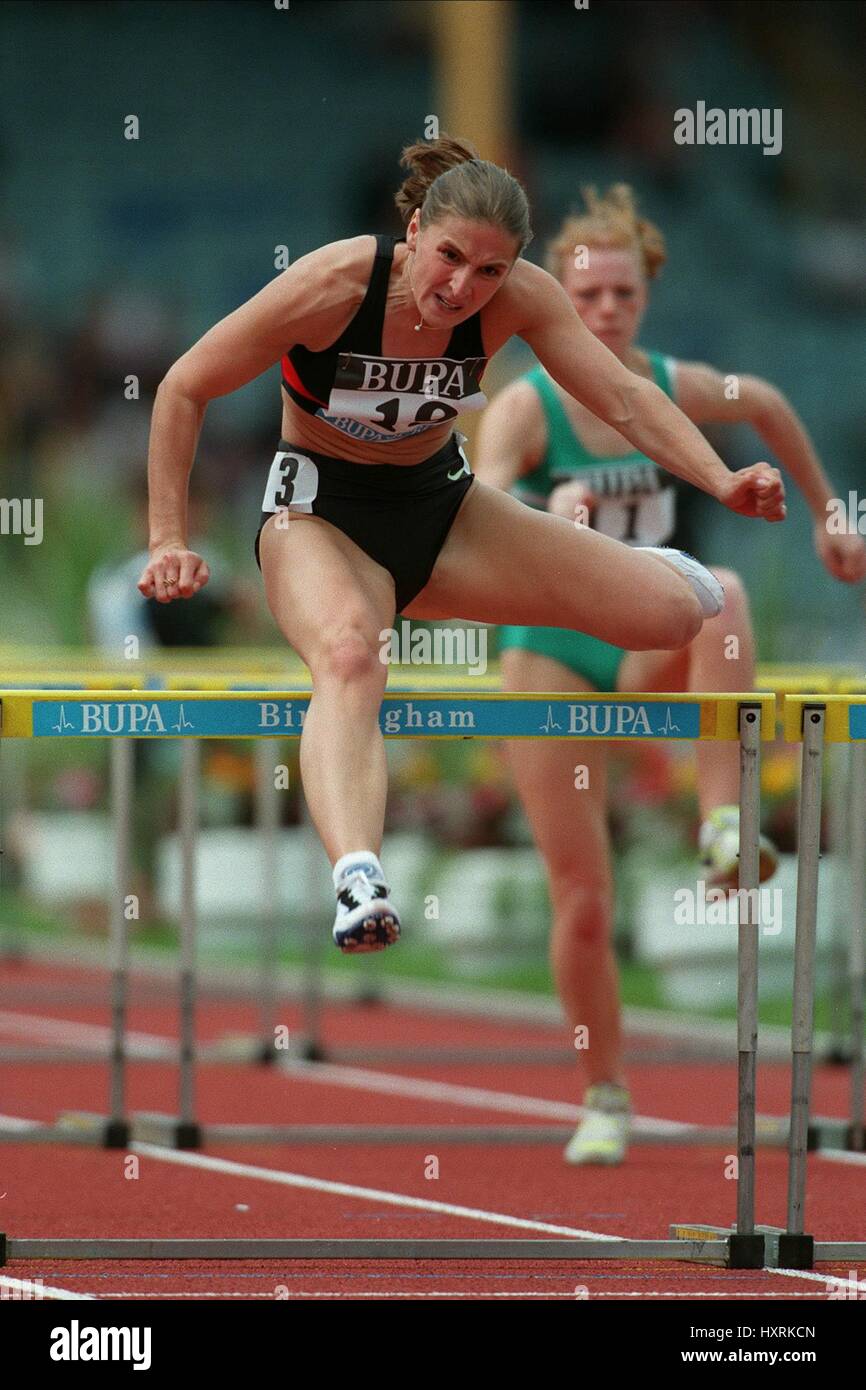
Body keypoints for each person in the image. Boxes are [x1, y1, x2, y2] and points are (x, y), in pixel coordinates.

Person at [138, 136, 787, 955]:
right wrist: (169, 536)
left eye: (488, 271)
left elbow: (624, 396)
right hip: (320, 520)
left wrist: (721, 477)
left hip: (442, 510)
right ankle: (359, 877)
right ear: (412, 231)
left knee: (674, 615)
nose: (460, 288)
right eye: (448, 258)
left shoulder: (522, 297)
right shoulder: (335, 284)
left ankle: (635, 571)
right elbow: (184, 385)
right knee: (349, 655)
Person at [474, 184, 866, 1164]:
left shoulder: (661, 384)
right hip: (549, 654)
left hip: (638, 638)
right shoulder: (526, 406)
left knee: (720, 591)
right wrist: (535, 504)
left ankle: (721, 826)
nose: (604, 313)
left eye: (622, 295)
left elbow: (766, 404)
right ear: (554, 298)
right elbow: (470, 499)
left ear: (643, 298)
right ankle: (602, 1091)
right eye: (586, 295)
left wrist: (827, 513)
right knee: (583, 894)